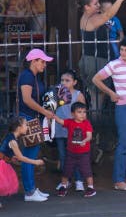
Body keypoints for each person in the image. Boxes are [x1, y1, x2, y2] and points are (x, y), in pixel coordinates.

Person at [92, 36, 126, 191]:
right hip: (124, 108)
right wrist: (111, 93)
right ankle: (118, 180)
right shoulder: (114, 64)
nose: (123, 53)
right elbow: (96, 79)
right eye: (121, 50)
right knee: (124, 143)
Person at [17, 48, 56, 202]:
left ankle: (31, 189)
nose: (44, 65)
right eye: (43, 62)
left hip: (32, 118)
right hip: (28, 119)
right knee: (29, 156)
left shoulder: (32, 76)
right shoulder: (27, 76)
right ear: (33, 61)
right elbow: (27, 99)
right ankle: (29, 192)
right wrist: (45, 112)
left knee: (31, 155)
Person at [79, 0, 126, 108]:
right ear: (87, 7)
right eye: (95, 4)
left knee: (95, 95)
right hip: (96, 60)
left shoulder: (86, 17)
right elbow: (108, 15)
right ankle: (96, 119)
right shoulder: (92, 19)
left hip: (89, 58)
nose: (98, 5)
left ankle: (95, 116)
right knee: (98, 96)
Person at [52, 70, 87, 192]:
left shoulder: (78, 95)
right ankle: (65, 181)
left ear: (74, 82)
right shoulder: (56, 94)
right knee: (63, 156)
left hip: (75, 130)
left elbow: (83, 113)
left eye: (67, 80)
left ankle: (79, 180)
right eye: (62, 80)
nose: (64, 82)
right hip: (60, 128)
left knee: (76, 155)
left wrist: (83, 128)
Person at [53, 102, 96, 198]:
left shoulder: (87, 123)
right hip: (71, 153)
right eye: (79, 112)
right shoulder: (70, 122)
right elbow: (61, 121)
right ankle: (63, 186)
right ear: (73, 114)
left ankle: (91, 188)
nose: (82, 114)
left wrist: (85, 140)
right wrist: (54, 116)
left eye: (84, 112)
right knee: (66, 170)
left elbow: (89, 136)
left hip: (84, 153)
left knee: (87, 170)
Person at [0, 117, 45, 206]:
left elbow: (5, 151)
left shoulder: (11, 137)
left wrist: (11, 158)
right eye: (26, 125)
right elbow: (21, 157)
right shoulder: (13, 141)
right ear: (18, 127)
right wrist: (35, 162)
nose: (27, 127)